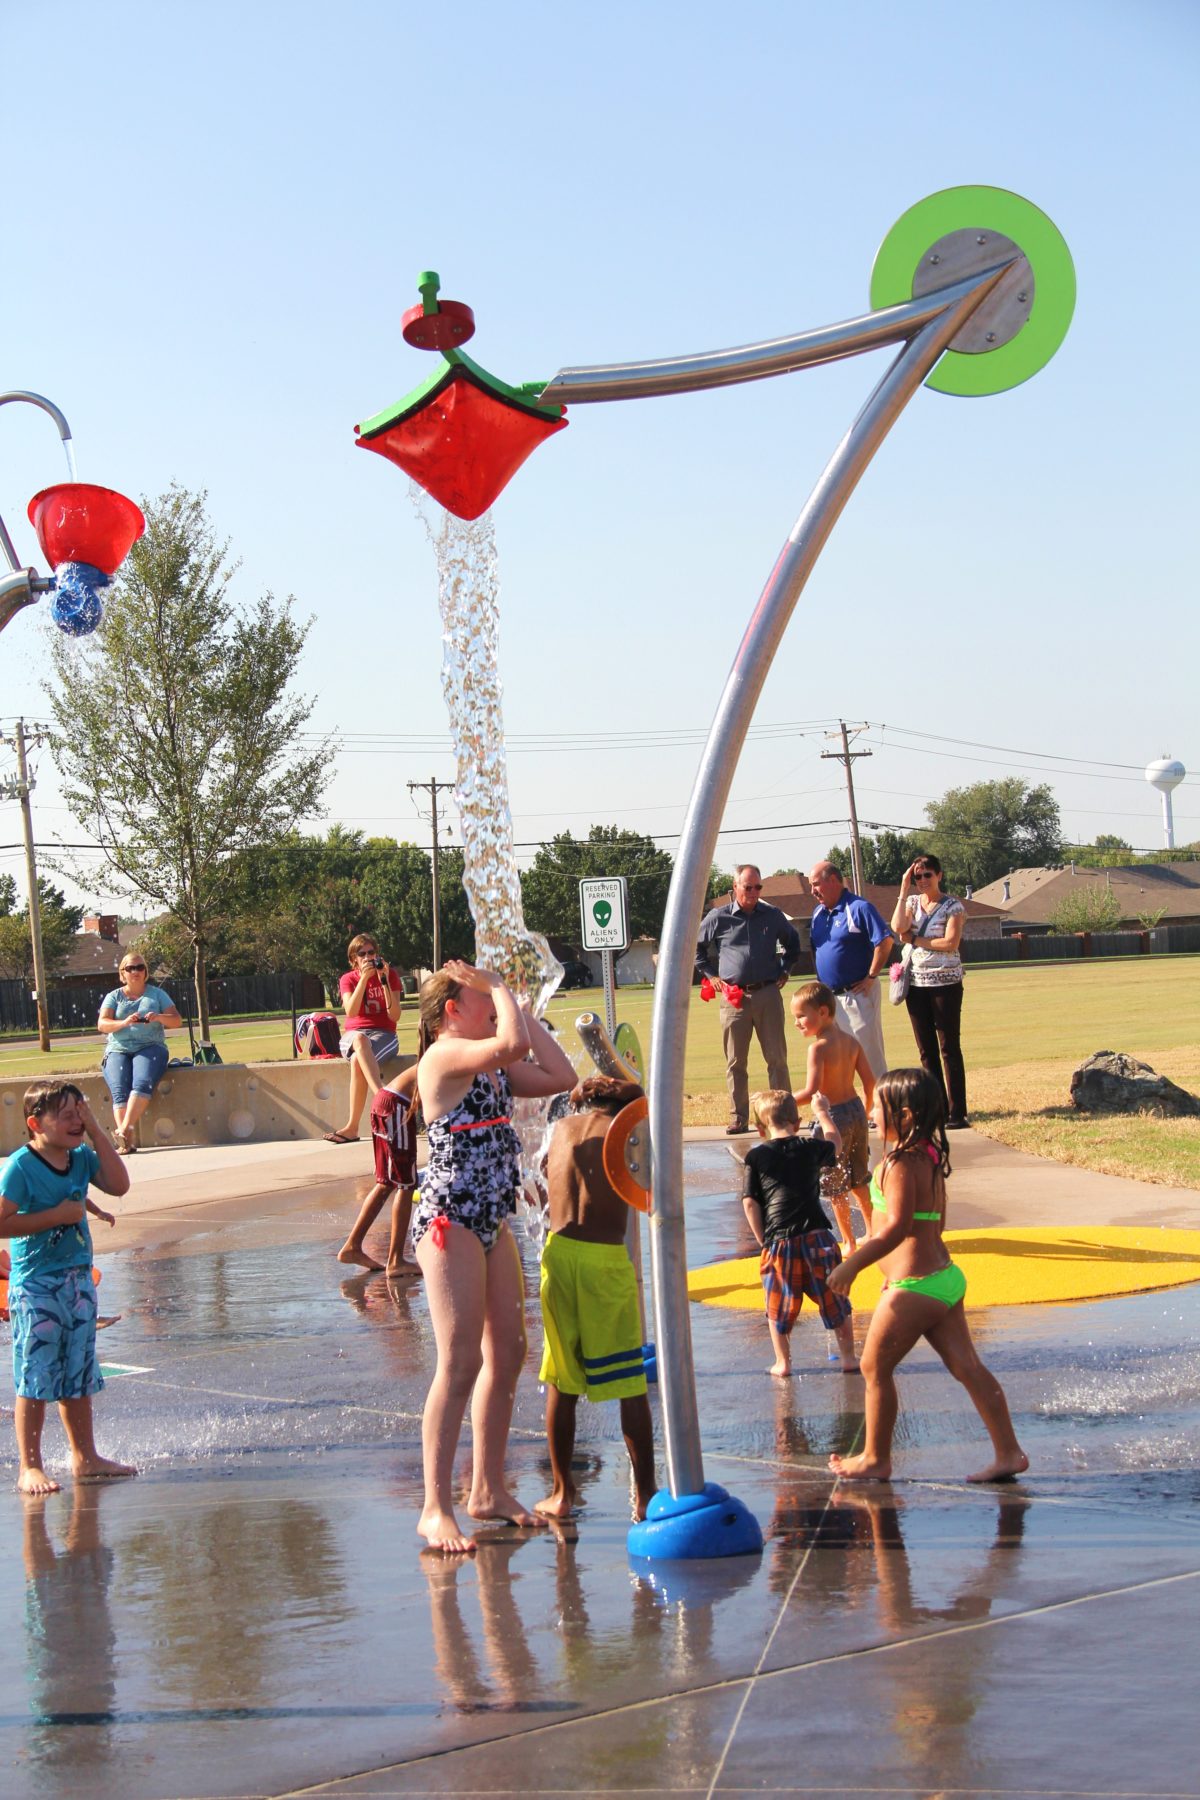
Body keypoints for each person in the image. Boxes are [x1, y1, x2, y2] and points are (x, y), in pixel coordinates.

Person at [412, 961, 577, 1554]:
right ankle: (435, 1507)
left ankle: (486, 1489)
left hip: (491, 1219)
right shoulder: (442, 1058)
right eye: (478, 998)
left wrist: (521, 1005)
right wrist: (502, 991)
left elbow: (560, 1073)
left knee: (508, 1352)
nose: (490, 1004)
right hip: (449, 1221)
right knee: (458, 1364)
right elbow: (510, 1043)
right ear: (452, 1011)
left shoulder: (494, 1065)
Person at [826, 1068, 1028, 1483]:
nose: (871, 1114)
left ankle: (874, 1458)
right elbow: (932, 1221)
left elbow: (895, 1228)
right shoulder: (930, 1155)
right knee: (967, 1366)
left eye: (877, 1107)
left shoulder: (897, 1163)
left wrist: (854, 1263)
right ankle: (1009, 1453)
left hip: (915, 1287)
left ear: (902, 1115)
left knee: (873, 1368)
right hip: (942, 1278)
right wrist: (892, 1268)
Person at [0, 1079, 136, 1496]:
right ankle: (30, 1466)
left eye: (80, 1112)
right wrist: (55, 1216)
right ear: (35, 1124)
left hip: (77, 1281)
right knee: (35, 1375)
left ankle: (85, 1456)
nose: (76, 1121)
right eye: (67, 1115)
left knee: (78, 1373)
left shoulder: (80, 1158)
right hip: (35, 1285)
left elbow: (119, 1184)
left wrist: (97, 1130)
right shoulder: (21, 1167)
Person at [535, 1075, 657, 1523]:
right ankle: (645, 1494)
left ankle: (562, 1492)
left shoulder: (564, 1128)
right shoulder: (624, 1133)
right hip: (603, 1260)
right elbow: (649, 1108)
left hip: (558, 1253)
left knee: (561, 1382)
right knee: (630, 1384)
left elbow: (544, 1179)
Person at [741, 1089, 860, 1378]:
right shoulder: (809, 1147)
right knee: (836, 1300)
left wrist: (762, 1239)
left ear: (759, 1129)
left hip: (779, 1243)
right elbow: (835, 1143)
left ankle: (783, 1363)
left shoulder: (756, 1156)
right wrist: (822, 1113)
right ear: (797, 1122)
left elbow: (749, 1203)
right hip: (817, 1237)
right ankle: (848, 1357)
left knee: (778, 1306)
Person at [695, 864, 801, 1135]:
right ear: (735, 888)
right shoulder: (718, 917)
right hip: (734, 997)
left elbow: (793, 944)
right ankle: (738, 1117)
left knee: (777, 1059)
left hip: (767, 992)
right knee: (735, 1061)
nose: (754, 892)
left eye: (758, 887)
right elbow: (696, 949)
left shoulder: (773, 916)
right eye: (748, 887)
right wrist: (711, 975)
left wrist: (785, 970)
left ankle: (784, 1116)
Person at [790, 979, 875, 1252]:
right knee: (859, 1176)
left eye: (802, 1015)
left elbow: (812, 1090)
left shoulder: (818, 1048)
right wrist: (867, 1106)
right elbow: (870, 1083)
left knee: (834, 1183)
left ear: (823, 1012)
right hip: (856, 1112)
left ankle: (848, 1241)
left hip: (832, 1118)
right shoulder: (851, 1042)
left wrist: (781, 1102)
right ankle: (874, 1232)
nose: (797, 1022)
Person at [891, 854, 969, 1128]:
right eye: (917, 877)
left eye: (927, 875)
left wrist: (915, 939)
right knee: (926, 1050)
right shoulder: (911, 902)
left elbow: (950, 942)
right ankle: (935, 1108)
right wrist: (903, 890)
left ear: (939, 875)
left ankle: (957, 1111)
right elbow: (897, 927)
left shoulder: (953, 907)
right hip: (916, 984)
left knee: (949, 1047)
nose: (922, 881)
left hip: (945, 983)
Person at [808, 861, 894, 1082]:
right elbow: (816, 949)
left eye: (816, 884)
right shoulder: (818, 913)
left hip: (856, 995)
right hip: (827, 1000)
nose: (812, 891)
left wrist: (872, 976)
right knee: (835, 1058)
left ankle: (881, 1111)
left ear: (834, 880)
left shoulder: (858, 908)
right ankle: (843, 1112)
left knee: (869, 1056)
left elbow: (884, 941)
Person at [336, 1061, 420, 1275]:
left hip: (387, 1102)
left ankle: (352, 1247)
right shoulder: (450, 1054)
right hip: (396, 1107)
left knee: (386, 1183)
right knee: (405, 1184)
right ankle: (396, 1260)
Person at [97, 952, 182, 1153]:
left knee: (142, 1082)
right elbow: (102, 1024)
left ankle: (123, 1131)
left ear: (145, 972)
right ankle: (128, 1141)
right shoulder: (114, 997)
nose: (135, 971)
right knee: (119, 1089)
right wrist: (124, 1022)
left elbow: (176, 1020)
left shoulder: (157, 994)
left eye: (140, 967)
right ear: (122, 973)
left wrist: (158, 1017)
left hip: (150, 1046)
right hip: (118, 1049)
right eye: (130, 968)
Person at [325, 933, 404, 1145]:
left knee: (358, 1060)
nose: (368, 957)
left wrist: (384, 980)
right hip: (353, 1034)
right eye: (362, 954)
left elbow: (394, 1015)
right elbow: (350, 1011)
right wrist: (364, 979)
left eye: (372, 952)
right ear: (354, 959)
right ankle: (382, 1098)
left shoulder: (390, 975)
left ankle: (351, 1128)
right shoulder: (348, 979)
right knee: (359, 1040)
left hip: (384, 1035)